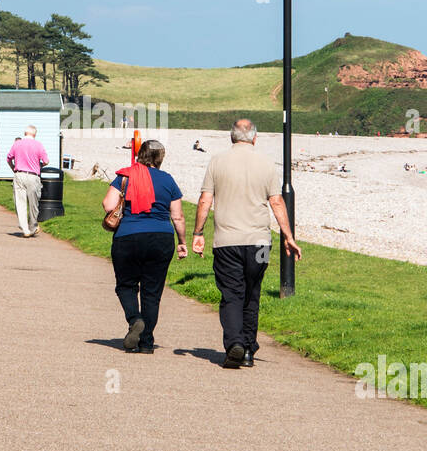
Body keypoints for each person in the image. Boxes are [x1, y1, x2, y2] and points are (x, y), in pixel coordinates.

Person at [192, 119, 301, 369]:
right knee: (253, 293)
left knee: (231, 294)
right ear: (254, 138)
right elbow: (276, 202)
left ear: (232, 137)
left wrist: (198, 232)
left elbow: (205, 200)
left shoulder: (217, 161)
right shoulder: (266, 163)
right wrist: (288, 237)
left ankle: (234, 344)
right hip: (260, 244)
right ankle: (249, 349)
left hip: (226, 243)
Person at [101, 139, 187, 354]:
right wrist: (182, 242)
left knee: (126, 285)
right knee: (152, 292)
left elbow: (108, 205)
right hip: (161, 238)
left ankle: (135, 320)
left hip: (128, 236)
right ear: (160, 159)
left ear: (140, 155)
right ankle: (147, 343)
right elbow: (177, 217)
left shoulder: (125, 176)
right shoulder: (168, 180)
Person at [7, 124, 49, 236]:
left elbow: (9, 158)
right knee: (33, 203)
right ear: (35, 134)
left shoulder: (17, 144)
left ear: (25, 133)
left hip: (19, 174)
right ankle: (33, 226)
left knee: (20, 202)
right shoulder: (38, 145)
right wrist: (38, 166)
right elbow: (46, 161)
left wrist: (13, 169)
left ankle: (25, 228)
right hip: (33, 175)